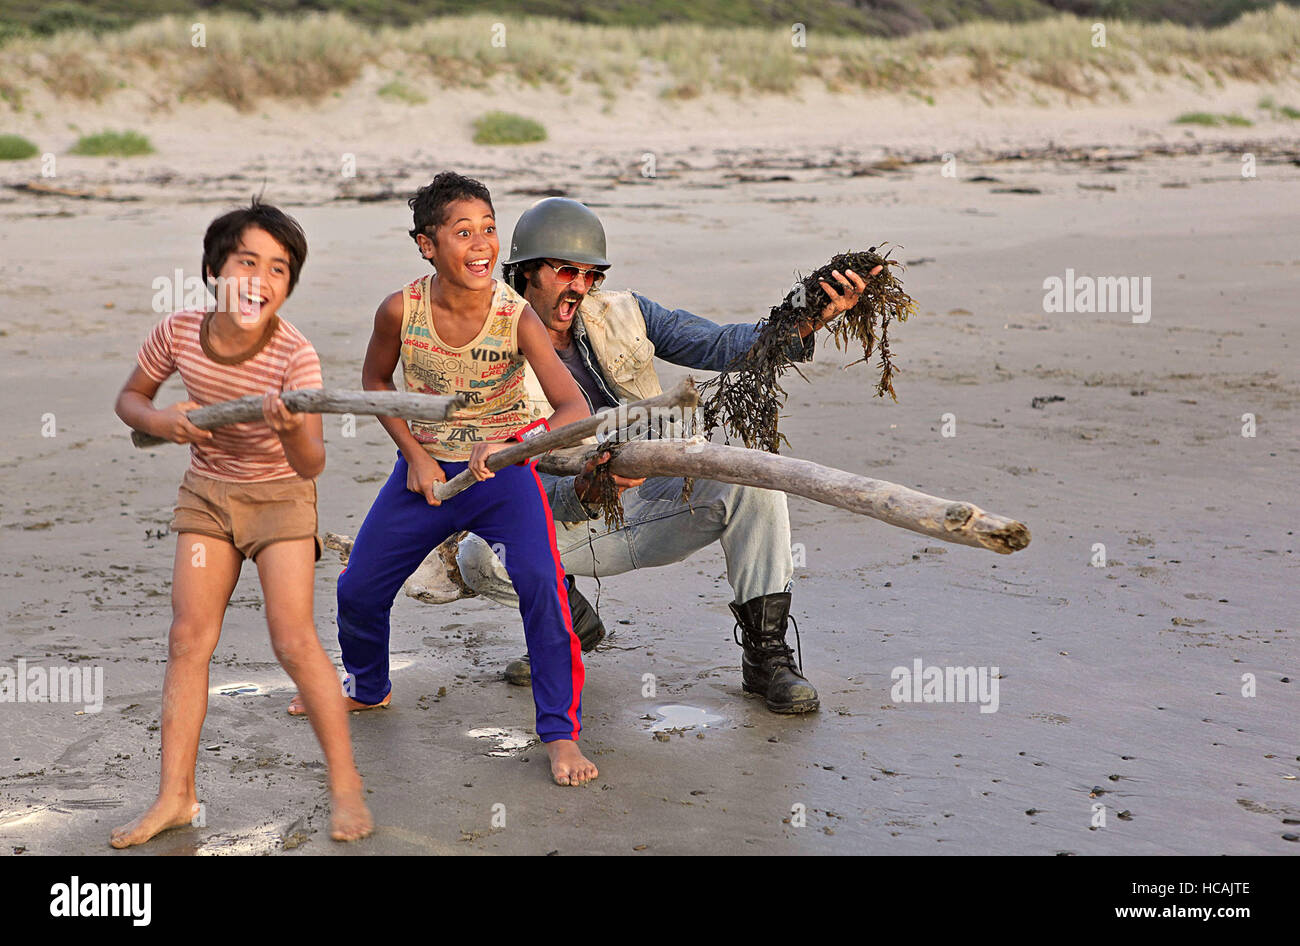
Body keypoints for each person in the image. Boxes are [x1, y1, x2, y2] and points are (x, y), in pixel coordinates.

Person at [456, 198, 878, 714]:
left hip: (663, 496)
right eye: (567, 270)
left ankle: (767, 659)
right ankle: (565, 628)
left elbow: (723, 345)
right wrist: (587, 489)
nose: (580, 287)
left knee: (755, 483)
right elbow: (513, 486)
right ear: (524, 272)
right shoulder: (488, 354)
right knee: (480, 555)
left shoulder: (627, 312)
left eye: (591, 274)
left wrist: (805, 315)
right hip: (572, 520)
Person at [287, 173, 598, 786]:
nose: (481, 243)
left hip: (503, 477)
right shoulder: (401, 309)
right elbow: (377, 385)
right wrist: (417, 457)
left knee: (541, 587)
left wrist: (512, 444)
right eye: (463, 232)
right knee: (359, 588)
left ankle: (561, 734)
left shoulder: (516, 317)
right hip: (423, 476)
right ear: (427, 245)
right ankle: (368, 687)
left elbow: (574, 411)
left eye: (488, 229)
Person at [110, 199, 372, 847]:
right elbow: (129, 399)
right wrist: (161, 421)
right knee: (188, 638)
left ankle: (346, 786)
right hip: (208, 496)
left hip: (282, 499)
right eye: (246, 262)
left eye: (278, 269)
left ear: (288, 286)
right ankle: (176, 794)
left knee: (292, 639)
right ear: (213, 268)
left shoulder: (294, 356)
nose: (261, 279)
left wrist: (290, 435)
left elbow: (312, 463)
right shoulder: (178, 334)